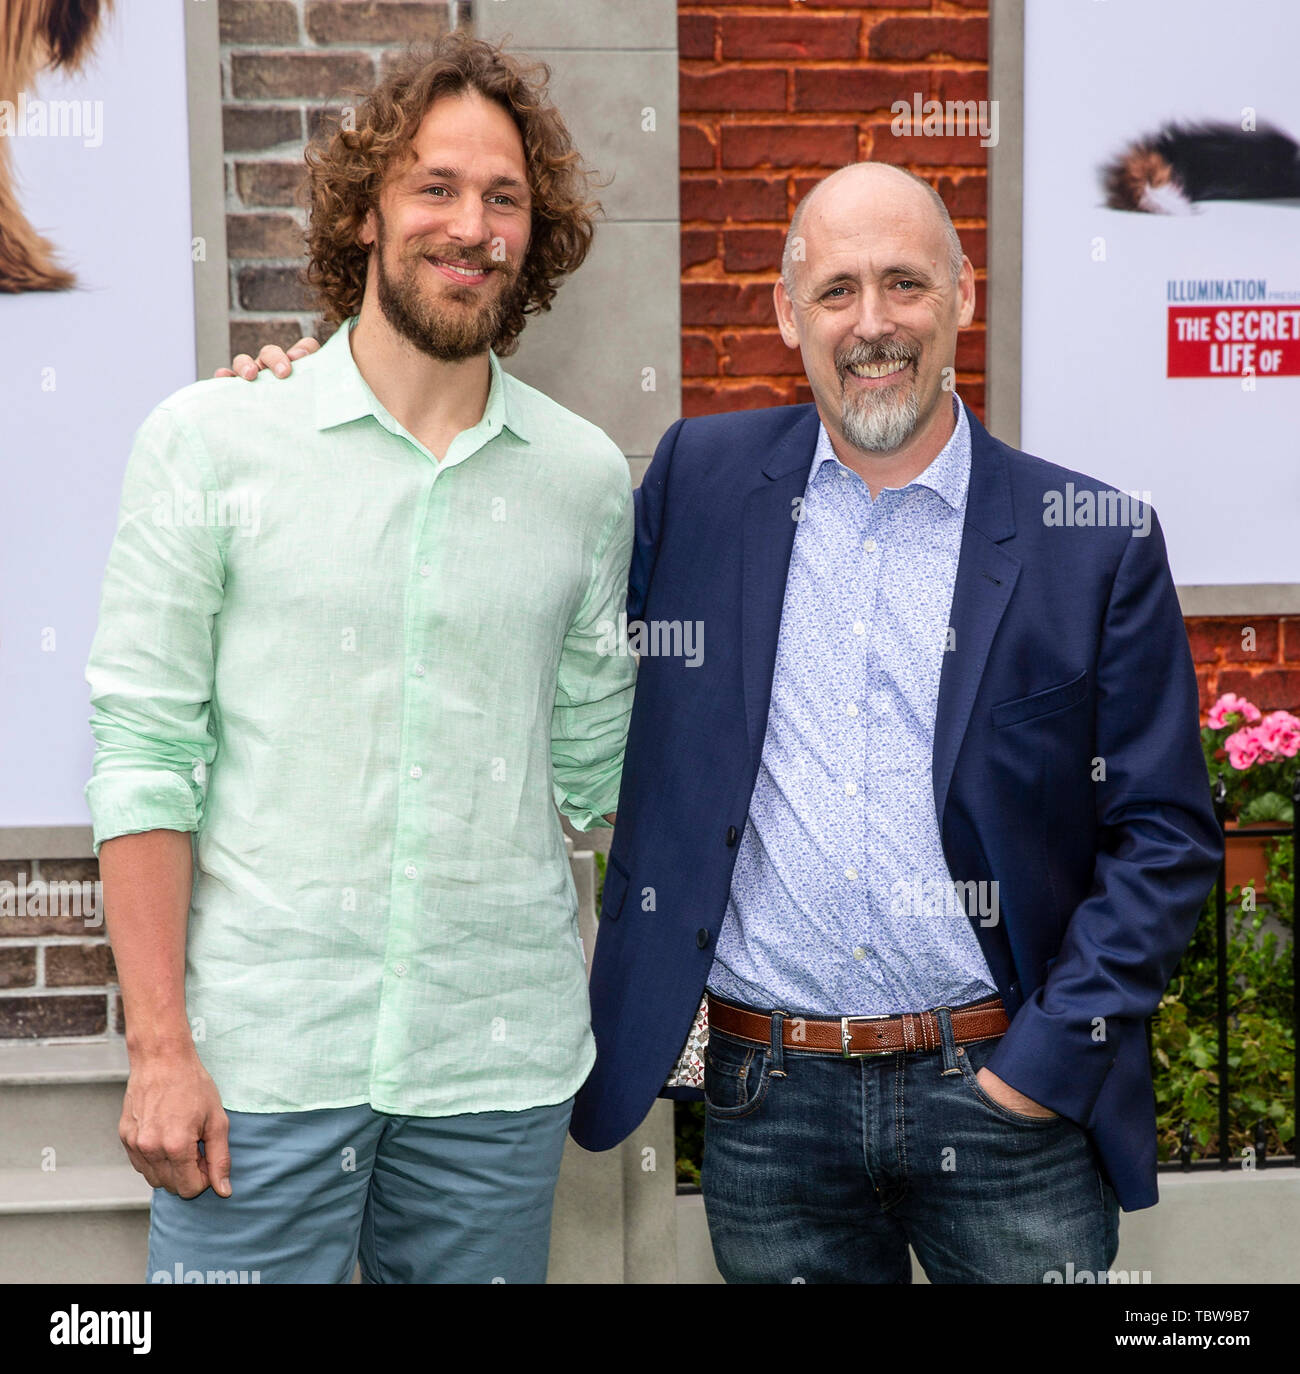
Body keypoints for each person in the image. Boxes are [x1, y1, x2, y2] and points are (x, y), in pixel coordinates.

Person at [235, 161, 1222, 1284]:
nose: (873, 322)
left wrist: (1039, 1067)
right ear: (785, 313)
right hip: (772, 1108)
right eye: (837, 290)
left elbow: (1163, 836)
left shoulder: (1088, 540)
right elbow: (508, 566)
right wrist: (326, 393)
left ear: (962, 297)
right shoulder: (696, 482)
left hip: (1001, 1107)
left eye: (904, 283)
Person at [85, 32, 633, 1284]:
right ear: (368, 214)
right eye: (435, 187)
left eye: (504, 197)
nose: (471, 224)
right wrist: (160, 1047)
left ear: (533, 234)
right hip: (262, 1070)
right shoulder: (214, 442)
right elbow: (146, 757)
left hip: (494, 1072)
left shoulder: (585, 480)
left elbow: (601, 770)